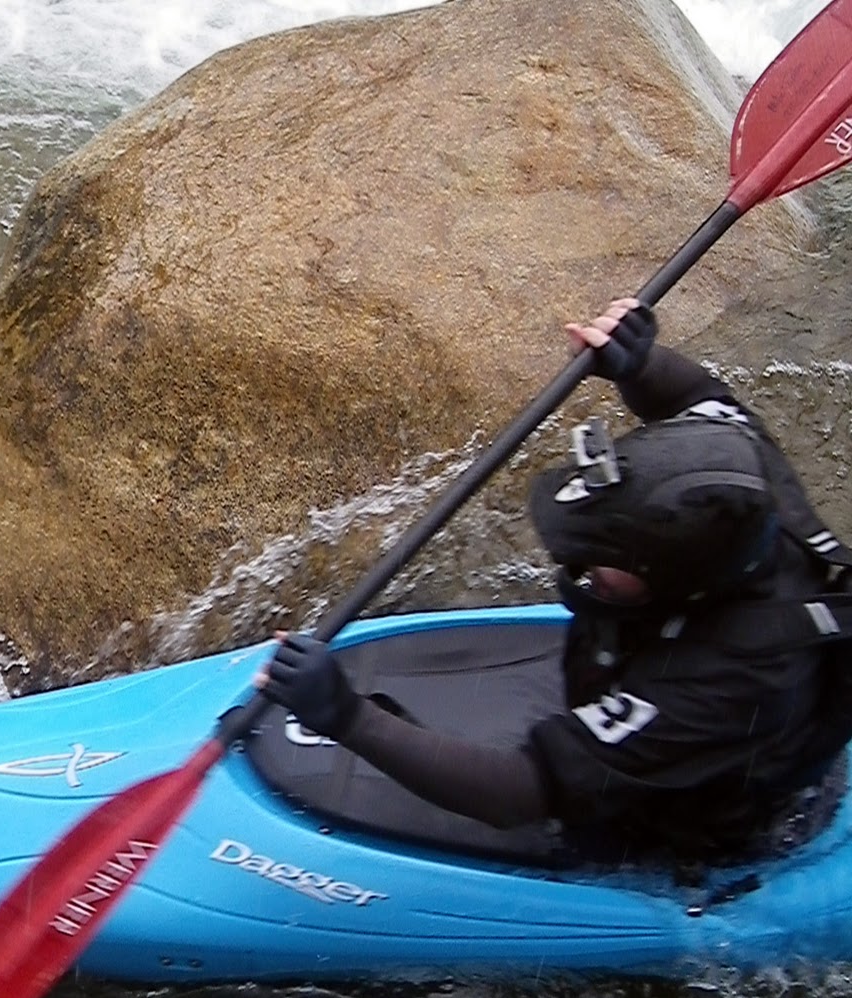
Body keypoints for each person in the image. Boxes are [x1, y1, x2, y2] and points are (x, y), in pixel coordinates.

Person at [258, 298, 851, 861]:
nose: (586, 566)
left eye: (610, 560)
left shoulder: (725, 683)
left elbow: (522, 793)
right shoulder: (740, 466)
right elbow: (699, 395)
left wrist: (345, 716)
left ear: (682, 584)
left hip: (695, 815)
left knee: (646, 818)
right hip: (699, 683)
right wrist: (640, 364)